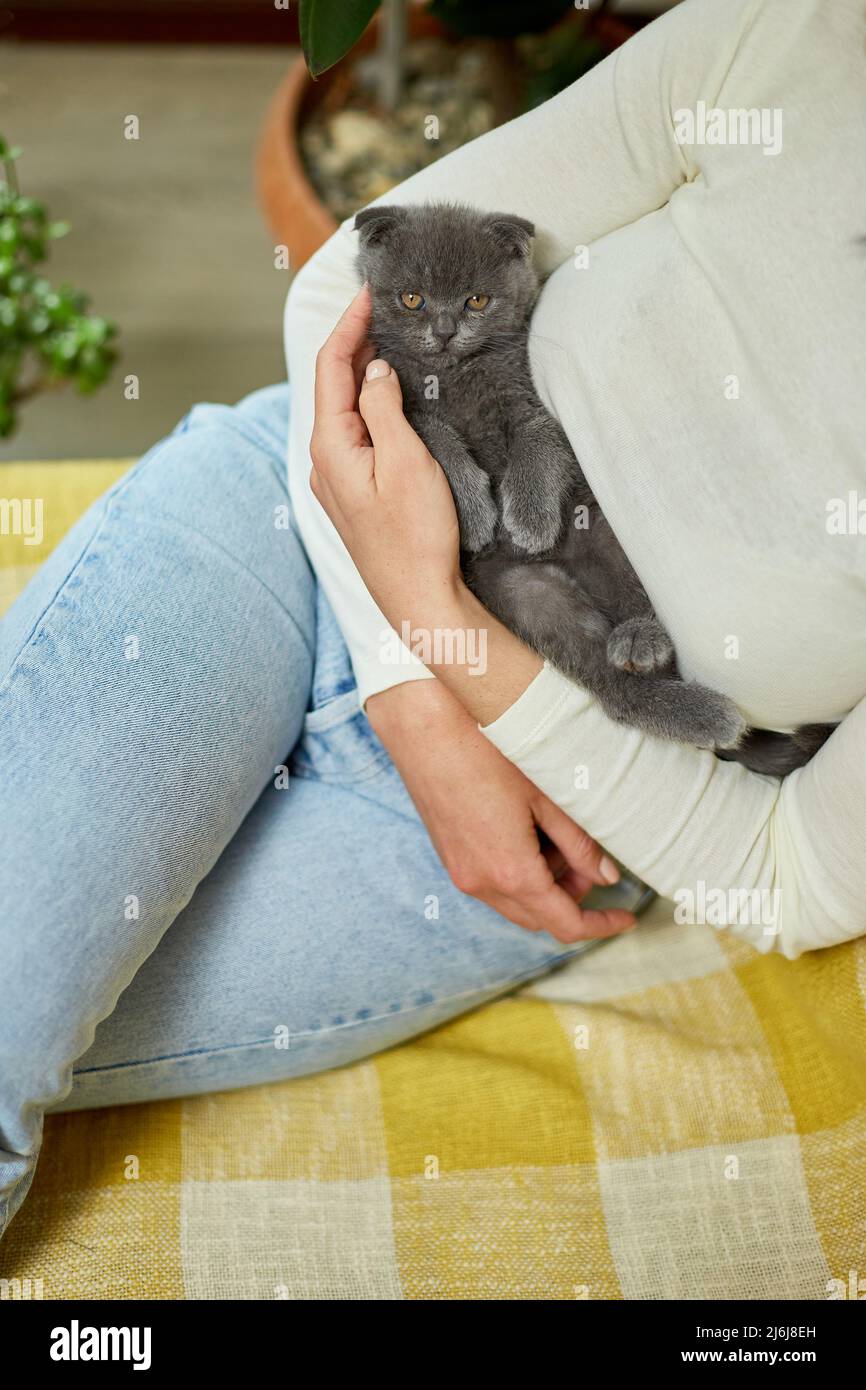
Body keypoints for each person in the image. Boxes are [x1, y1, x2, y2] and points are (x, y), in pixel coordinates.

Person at [1, 0, 862, 1239]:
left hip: (540, 825)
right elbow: (334, 301)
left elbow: (790, 876)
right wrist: (421, 687)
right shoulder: (809, 39)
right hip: (285, 526)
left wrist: (479, 701)